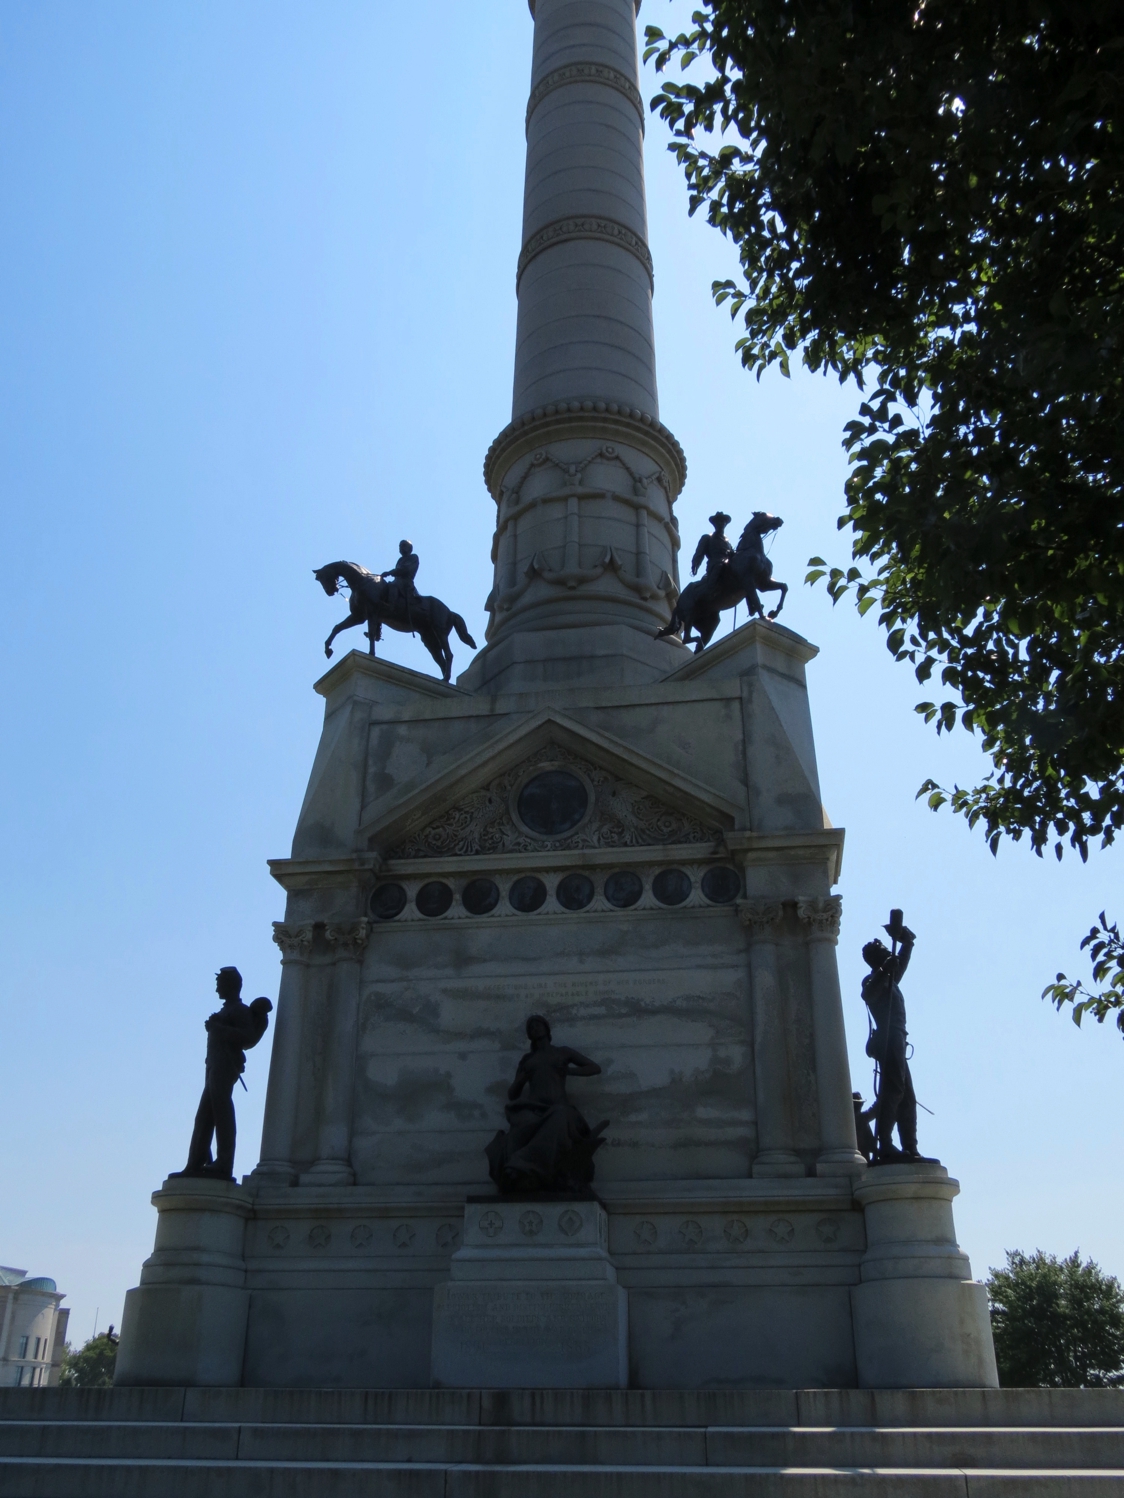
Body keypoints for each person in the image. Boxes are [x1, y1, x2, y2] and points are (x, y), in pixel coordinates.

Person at [485, 1015, 608, 1192]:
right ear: (529, 1035)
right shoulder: (527, 1059)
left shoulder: (562, 1052)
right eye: (531, 1027)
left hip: (559, 1107)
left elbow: (594, 1068)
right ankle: (520, 1168)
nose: (535, 1028)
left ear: (546, 1028)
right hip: (534, 1109)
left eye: (538, 1025)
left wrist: (569, 1071)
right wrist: (521, 1079)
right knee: (521, 1125)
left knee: (559, 1117)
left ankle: (520, 1162)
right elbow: (512, 1094)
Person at [171, 967, 272, 1182]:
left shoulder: (239, 1010)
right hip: (214, 1066)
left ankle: (224, 1163)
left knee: (221, 1112)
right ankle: (196, 1162)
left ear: (230, 985)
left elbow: (248, 1038)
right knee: (204, 1117)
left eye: (220, 984)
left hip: (225, 1066)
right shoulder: (227, 1010)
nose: (217, 988)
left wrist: (219, 1029)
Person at [861, 913, 935, 1164]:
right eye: (882, 950)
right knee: (893, 1090)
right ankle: (885, 1144)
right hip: (888, 1037)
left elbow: (905, 952)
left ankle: (910, 1146)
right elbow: (868, 995)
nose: (886, 950)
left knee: (907, 1096)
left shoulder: (890, 978)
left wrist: (904, 937)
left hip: (899, 1039)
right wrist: (884, 970)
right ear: (876, 958)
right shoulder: (875, 979)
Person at [689, 512, 734, 605]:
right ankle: (709, 592)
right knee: (719, 566)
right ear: (715, 524)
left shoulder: (728, 543)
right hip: (715, 563)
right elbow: (699, 553)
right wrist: (695, 564)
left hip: (727, 563)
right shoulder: (707, 538)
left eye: (723, 522)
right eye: (718, 522)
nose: (721, 524)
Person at [380, 539, 420, 624]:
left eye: (404, 545)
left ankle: (390, 607)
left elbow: (405, 569)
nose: (401, 548)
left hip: (405, 582)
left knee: (392, 586)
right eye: (400, 546)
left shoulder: (413, 557)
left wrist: (389, 572)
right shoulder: (400, 560)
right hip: (397, 581)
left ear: (410, 548)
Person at [852, 1091, 878, 1164]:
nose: (861, 1105)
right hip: (860, 1157)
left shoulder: (861, 1119)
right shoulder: (860, 1118)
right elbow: (874, 1111)